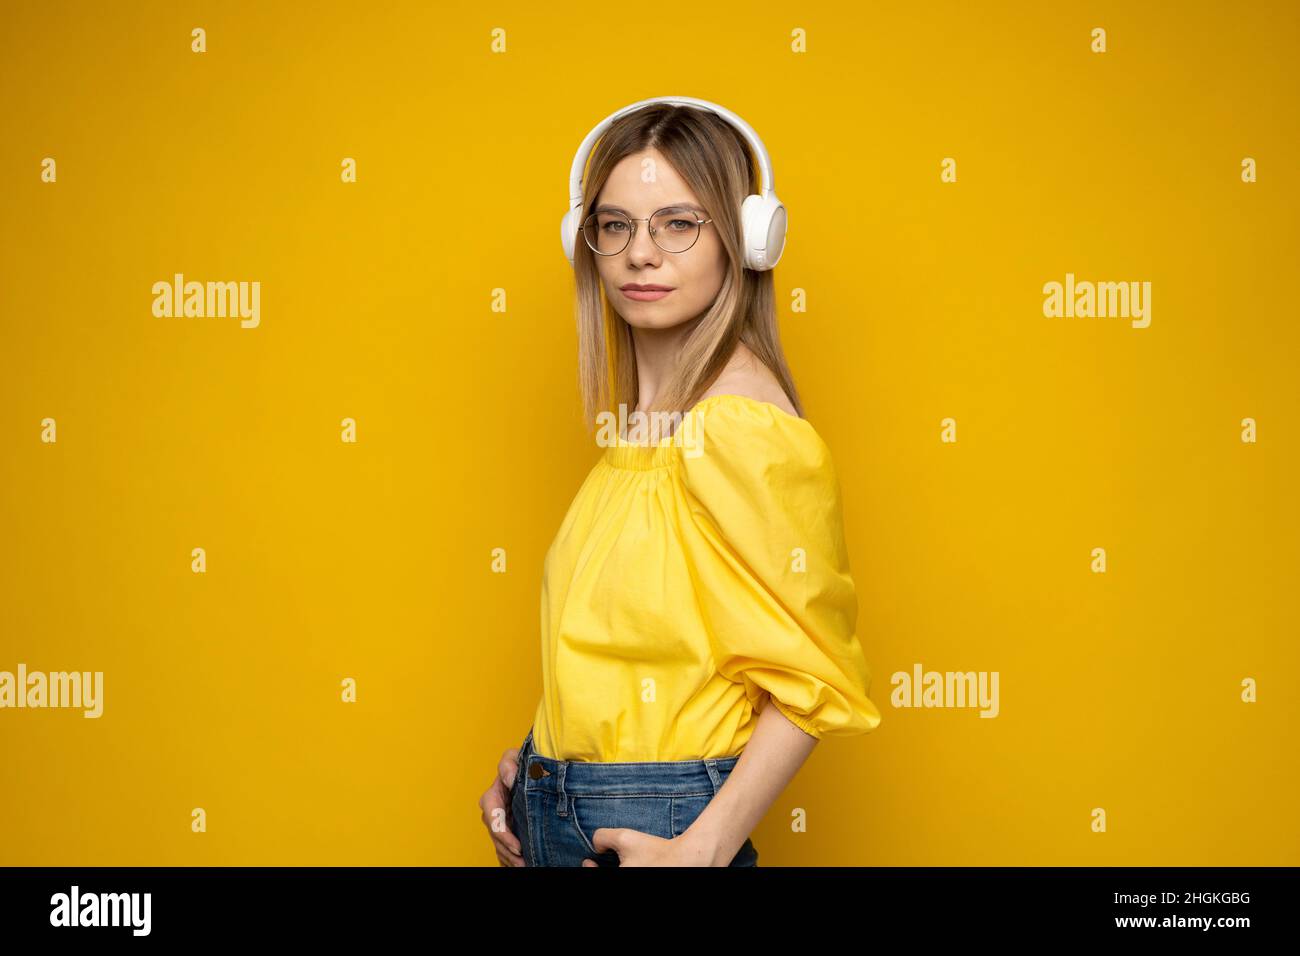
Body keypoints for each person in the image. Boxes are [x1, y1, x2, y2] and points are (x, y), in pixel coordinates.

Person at [478, 98, 883, 867]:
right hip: (565, 811)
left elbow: (816, 678)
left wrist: (704, 848)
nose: (641, 254)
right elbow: (634, 654)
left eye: (679, 223)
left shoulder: (739, 427)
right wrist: (538, 768)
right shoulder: (638, 434)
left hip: (667, 824)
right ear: (585, 240)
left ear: (746, 240)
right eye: (617, 225)